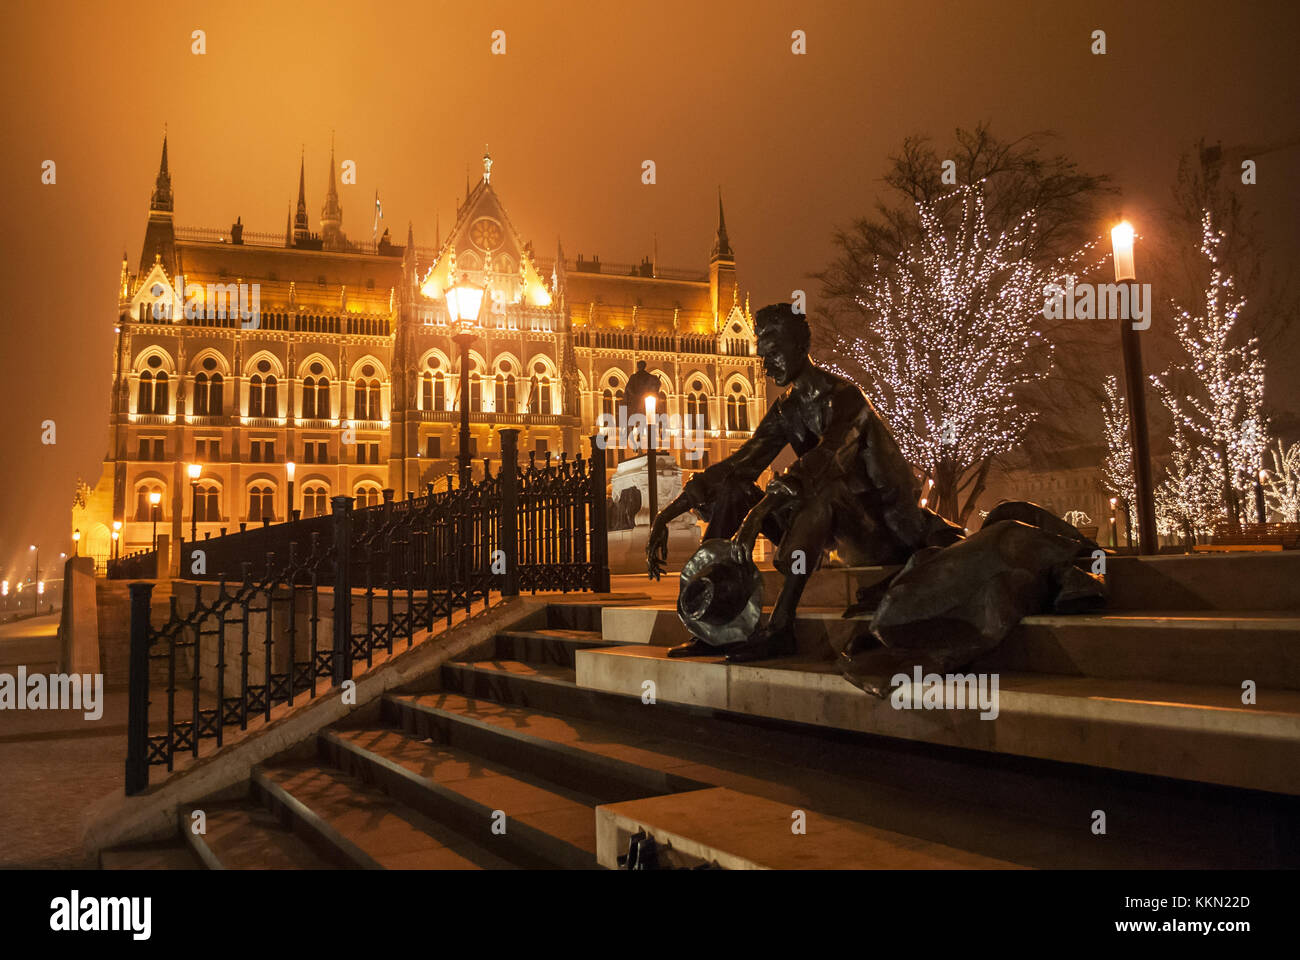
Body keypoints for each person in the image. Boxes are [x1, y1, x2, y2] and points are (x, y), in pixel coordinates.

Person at [646, 302, 962, 662]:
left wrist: (758, 515)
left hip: (879, 535)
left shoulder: (846, 398)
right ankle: (716, 623)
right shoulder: (787, 407)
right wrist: (669, 512)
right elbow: (741, 463)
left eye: (774, 355)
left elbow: (827, 460)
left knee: (824, 489)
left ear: (800, 347)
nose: (766, 368)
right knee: (736, 488)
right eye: (763, 358)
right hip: (826, 535)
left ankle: (781, 630)